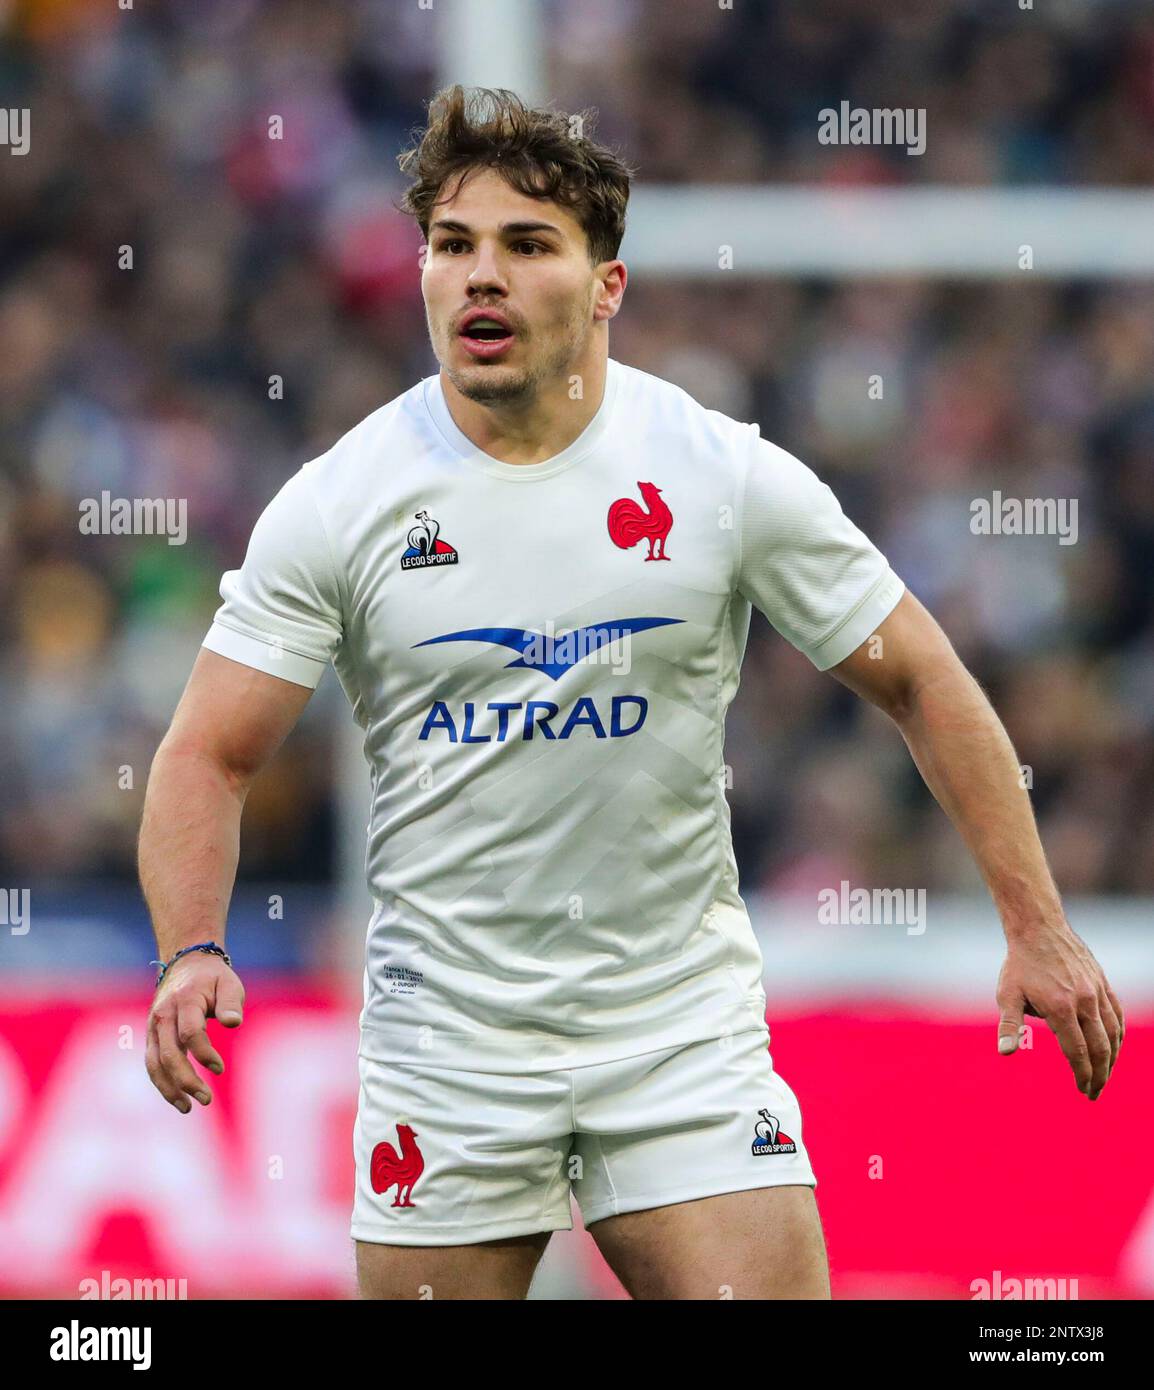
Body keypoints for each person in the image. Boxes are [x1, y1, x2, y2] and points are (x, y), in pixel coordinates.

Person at [138, 86, 1124, 1300]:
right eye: (453, 246)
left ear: (606, 285)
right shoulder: (342, 503)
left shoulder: (718, 473)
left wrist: (1034, 921)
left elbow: (921, 678)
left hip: (675, 1033)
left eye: (525, 245)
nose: (478, 278)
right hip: (446, 1048)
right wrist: (189, 948)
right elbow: (206, 756)